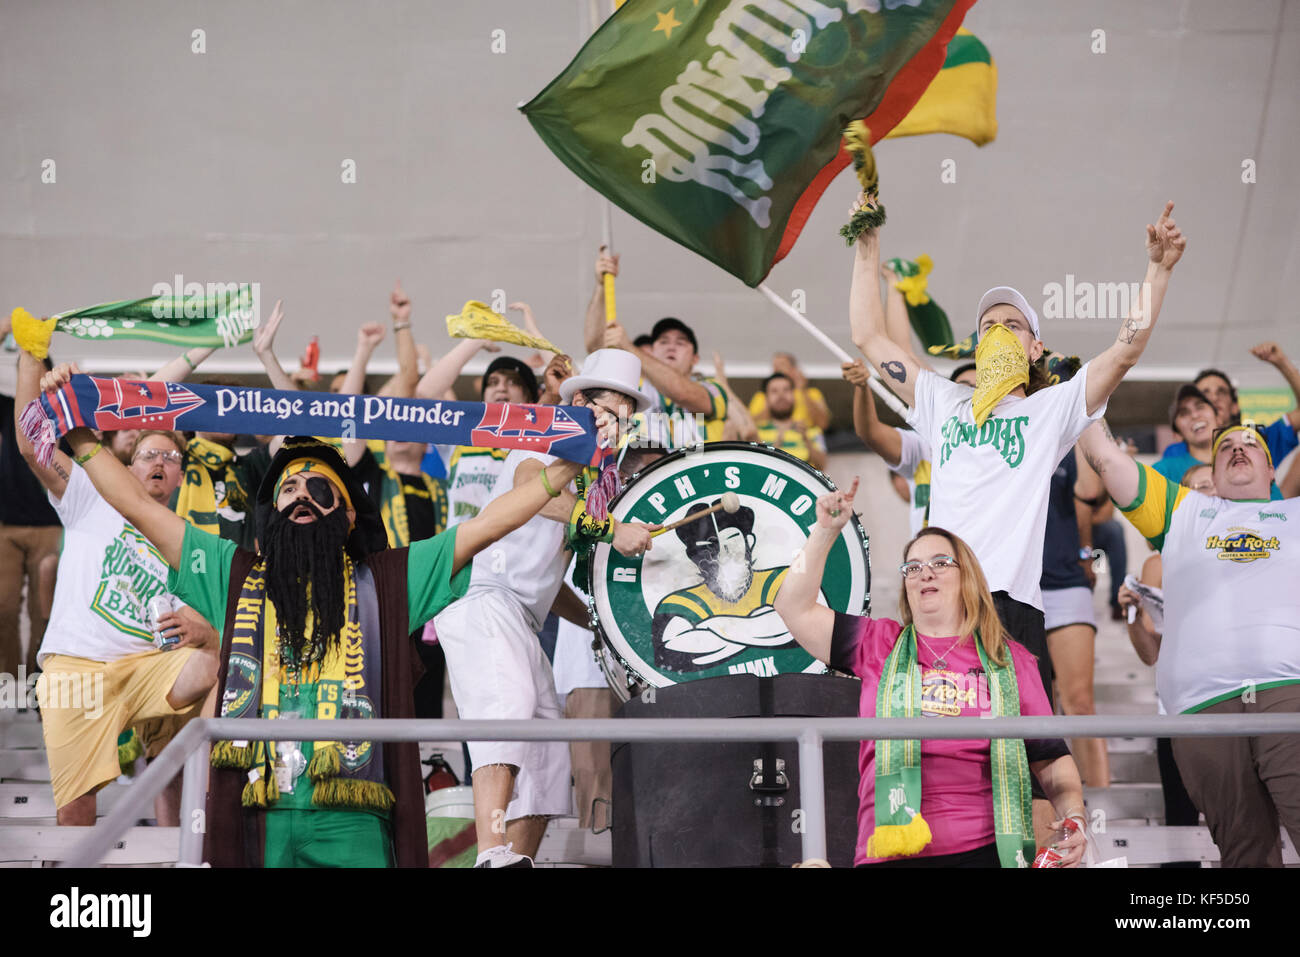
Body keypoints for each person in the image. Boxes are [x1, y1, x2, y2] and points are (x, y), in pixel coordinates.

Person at [36, 358, 593, 866]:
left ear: (348, 515)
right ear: (271, 511)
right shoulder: (231, 571)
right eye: (288, 488)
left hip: (355, 821)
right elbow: (133, 503)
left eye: (319, 489)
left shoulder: (391, 580)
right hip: (258, 817)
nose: (301, 495)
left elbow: (488, 524)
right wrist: (78, 433)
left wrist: (566, 467)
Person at [847, 204, 1186, 705]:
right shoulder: (942, 400)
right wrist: (867, 245)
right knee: (945, 749)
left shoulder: (1052, 410)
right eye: (989, 326)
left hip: (1011, 605)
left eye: (1013, 324)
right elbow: (868, 337)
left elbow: (1123, 351)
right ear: (977, 346)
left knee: (1021, 763)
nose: (1000, 330)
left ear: (1036, 348)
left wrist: (1157, 272)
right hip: (941, 596)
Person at [775, 479, 1087, 867]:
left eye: (941, 563)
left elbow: (1052, 759)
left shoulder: (1009, 660)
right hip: (889, 852)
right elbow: (792, 607)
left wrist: (1074, 817)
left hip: (986, 851)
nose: (926, 573)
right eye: (914, 567)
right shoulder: (877, 643)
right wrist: (824, 531)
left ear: (967, 577)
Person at [433, 349, 658, 868]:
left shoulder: (591, 474)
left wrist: (600, 624)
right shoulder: (548, 431)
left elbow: (548, 585)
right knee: (506, 710)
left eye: (628, 413)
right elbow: (529, 492)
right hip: (482, 597)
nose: (620, 421)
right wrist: (612, 529)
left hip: (523, 616)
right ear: (580, 401)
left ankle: (517, 861)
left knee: (547, 754)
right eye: (613, 407)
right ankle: (490, 853)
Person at [1079, 420, 1300, 866]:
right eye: (1226, 449)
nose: (1238, 450)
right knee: (1243, 856)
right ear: (1212, 476)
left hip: (1289, 693)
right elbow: (1104, 457)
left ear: (1273, 471)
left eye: (1251, 445)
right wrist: (1072, 395)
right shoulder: (1183, 512)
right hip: (1202, 710)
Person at [16, 352, 222, 827]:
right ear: (128, 466)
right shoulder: (91, 493)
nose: (160, 463)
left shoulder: (189, 541)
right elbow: (32, 445)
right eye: (149, 453)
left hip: (148, 669)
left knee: (223, 660)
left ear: (180, 475)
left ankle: (188, 842)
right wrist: (31, 354)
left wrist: (204, 630)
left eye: (171, 458)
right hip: (78, 668)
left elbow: (215, 622)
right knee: (76, 809)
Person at [586, 250, 729, 448]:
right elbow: (595, 348)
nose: (671, 346)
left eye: (680, 342)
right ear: (651, 351)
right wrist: (601, 286)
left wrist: (629, 348)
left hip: (696, 477)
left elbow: (682, 393)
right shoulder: (631, 385)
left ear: (695, 358)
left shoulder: (712, 389)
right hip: (640, 477)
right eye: (663, 341)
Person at [843, 358, 976, 536]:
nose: (970, 395)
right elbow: (870, 433)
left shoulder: (1007, 451)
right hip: (927, 560)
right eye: (962, 387)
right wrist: (862, 387)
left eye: (977, 389)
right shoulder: (923, 446)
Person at [1040, 447, 1110, 787]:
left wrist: (1085, 556)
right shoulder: (995, 429)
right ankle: (1041, 807)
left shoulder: (1068, 437)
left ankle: (1104, 807)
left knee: (1080, 703)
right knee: (1032, 709)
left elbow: (1092, 497)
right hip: (1011, 586)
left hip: (1065, 582)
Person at [1160, 346, 1300, 479]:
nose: (1213, 398)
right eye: (1204, 395)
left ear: (1235, 406)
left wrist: (1281, 362)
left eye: (1221, 392)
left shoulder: (1258, 439)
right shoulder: (1175, 455)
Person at [1158, 379, 1291, 499]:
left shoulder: (1251, 467)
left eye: (1200, 407)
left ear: (1218, 418)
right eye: (1183, 413)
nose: (1194, 415)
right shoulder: (1163, 471)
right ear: (1176, 434)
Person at [754, 373, 827, 469]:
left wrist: (806, 439)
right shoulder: (756, 431)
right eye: (774, 391)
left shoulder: (812, 430)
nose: (781, 395)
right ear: (766, 398)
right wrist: (778, 441)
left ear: (794, 395)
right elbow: (758, 468)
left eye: (786, 390)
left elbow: (822, 465)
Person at [749, 352, 830, 431]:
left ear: (794, 369)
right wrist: (771, 399)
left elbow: (823, 424)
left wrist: (803, 390)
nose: (776, 369)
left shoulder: (812, 393)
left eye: (782, 365)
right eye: (774, 366)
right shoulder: (761, 396)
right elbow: (750, 426)